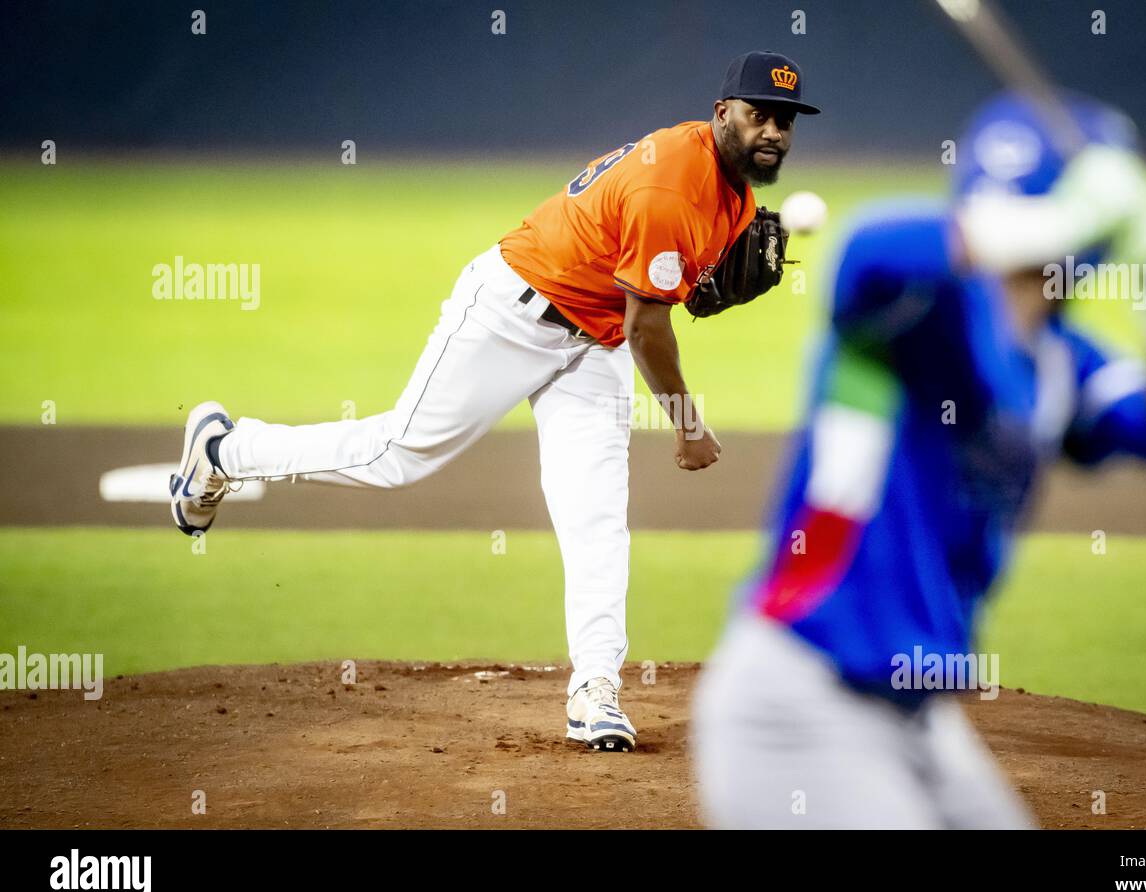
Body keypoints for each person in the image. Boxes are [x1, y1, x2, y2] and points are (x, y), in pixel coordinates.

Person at [168, 50, 819, 752]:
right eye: (760, 115)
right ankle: (223, 450)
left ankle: (595, 691)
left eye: (785, 120)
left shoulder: (736, 197)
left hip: (590, 343)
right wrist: (688, 424)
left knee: (596, 514)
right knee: (395, 454)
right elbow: (648, 326)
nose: (774, 132)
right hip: (510, 313)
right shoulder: (675, 187)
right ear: (724, 113)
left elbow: (651, 298)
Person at [692, 91, 1146, 824]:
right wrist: (1065, 220)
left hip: (919, 716)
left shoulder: (1061, 361)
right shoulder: (922, 313)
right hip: (802, 705)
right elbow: (867, 255)